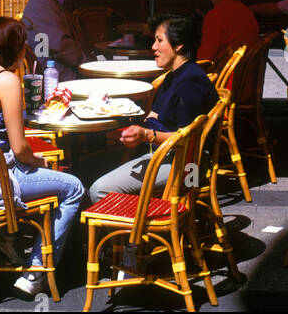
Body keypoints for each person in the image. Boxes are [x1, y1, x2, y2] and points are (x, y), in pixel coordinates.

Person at [0, 16, 86, 296]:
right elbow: (20, 149)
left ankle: (5, 239)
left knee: (50, 176)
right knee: (73, 186)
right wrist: (41, 162)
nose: (26, 50)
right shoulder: (6, 81)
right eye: (23, 45)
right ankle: (35, 273)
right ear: (13, 47)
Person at [85, 15, 218, 201]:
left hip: (188, 167)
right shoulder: (173, 76)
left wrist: (147, 135)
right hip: (162, 153)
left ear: (179, 45)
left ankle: (136, 229)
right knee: (85, 167)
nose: (153, 46)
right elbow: (153, 117)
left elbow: (188, 139)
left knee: (99, 190)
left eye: (159, 40)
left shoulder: (190, 81)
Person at [20, 0, 87, 80]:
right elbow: (59, 45)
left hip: (61, 68)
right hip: (54, 74)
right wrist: (88, 64)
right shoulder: (42, 4)